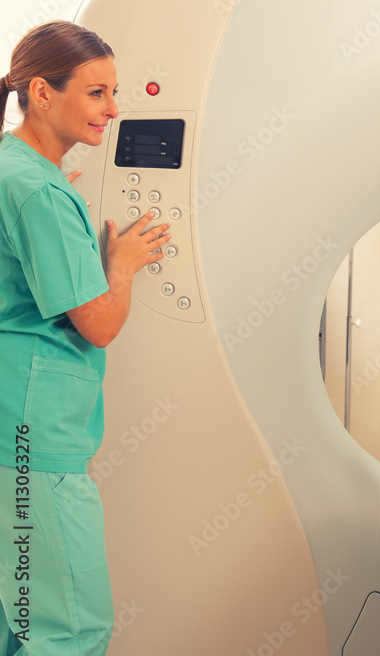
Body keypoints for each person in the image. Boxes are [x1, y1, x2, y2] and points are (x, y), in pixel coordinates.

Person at [0, 20, 171, 654]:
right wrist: (120, 263)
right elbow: (97, 324)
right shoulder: (36, 187)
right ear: (42, 92)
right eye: (97, 93)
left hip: (12, 428)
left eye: (114, 91)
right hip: (33, 437)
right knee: (71, 627)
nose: (114, 109)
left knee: (19, 616)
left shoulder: (16, 167)